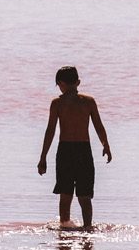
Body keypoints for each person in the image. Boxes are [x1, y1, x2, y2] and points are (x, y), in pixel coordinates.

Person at [37, 66, 111, 229]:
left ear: (60, 83)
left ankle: (65, 227)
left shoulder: (57, 103)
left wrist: (43, 158)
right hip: (83, 150)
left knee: (65, 194)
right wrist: (106, 145)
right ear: (78, 82)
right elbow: (99, 126)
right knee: (84, 196)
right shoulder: (88, 101)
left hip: (66, 151)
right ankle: (87, 228)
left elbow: (50, 131)